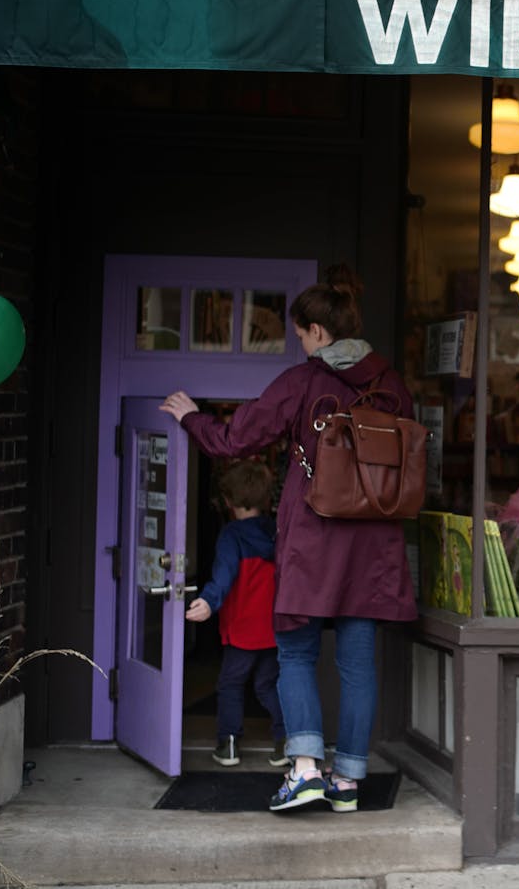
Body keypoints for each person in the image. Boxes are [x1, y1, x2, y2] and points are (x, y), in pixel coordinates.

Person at [160, 265, 417, 814]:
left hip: (314, 540)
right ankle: (347, 781)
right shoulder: (393, 386)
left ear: (318, 331)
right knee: (357, 665)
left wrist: (192, 419)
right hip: (373, 544)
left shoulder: (304, 382)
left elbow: (235, 440)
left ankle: (304, 771)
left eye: (300, 334)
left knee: (296, 653)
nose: (301, 344)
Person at [185, 460, 287, 768]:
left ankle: (228, 743)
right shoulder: (277, 531)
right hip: (273, 626)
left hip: (242, 628)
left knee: (230, 684)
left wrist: (208, 601)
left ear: (229, 501)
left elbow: (224, 574)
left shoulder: (232, 535)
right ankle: (286, 741)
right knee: (268, 684)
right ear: (266, 499)